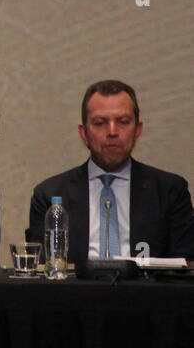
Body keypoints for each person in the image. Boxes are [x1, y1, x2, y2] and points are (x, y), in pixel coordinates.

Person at [28, 80, 194, 261]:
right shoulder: (49, 194)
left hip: (145, 289)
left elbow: (183, 267)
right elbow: (43, 269)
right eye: (100, 123)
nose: (112, 132)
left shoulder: (170, 191)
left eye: (123, 122)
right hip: (75, 289)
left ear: (137, 130)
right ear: (84, 134)